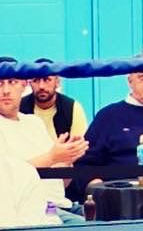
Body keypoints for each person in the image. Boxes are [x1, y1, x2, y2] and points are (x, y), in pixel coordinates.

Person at [0, 63, 89, 210]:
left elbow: (61, 183)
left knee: (111, 217)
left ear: (24, 84)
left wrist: (68, 159)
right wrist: (53, 157)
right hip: (31, 211)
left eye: (12, 82)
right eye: (0, 84)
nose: (6, 91)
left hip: (62, 205)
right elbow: (9, 176)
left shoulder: (34, 123)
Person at [18, 61, 87, 142]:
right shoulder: (19, 107)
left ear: (57, 82)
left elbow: (78, 148)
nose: (41, 86)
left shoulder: (73, 108)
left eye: (47, 80)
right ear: (30, 83)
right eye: (36, 80)